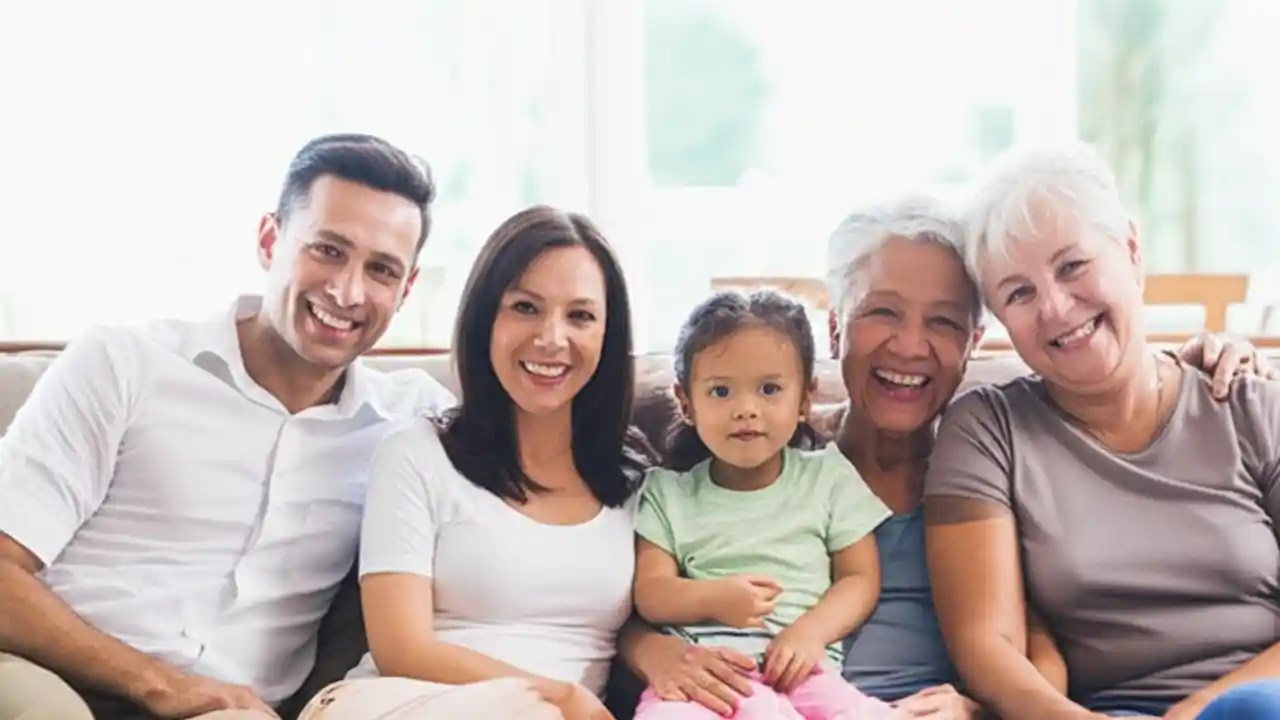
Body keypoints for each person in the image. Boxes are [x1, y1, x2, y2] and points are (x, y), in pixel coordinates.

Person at [619, 194, 1276, 720]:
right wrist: (652, 653)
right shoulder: (743, 452)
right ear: (837, 327)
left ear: (973, 342)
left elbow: (1040, 641)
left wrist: (979, 706)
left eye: (942, 322)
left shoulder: (994, 465)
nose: (910, 347)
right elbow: (626, 607)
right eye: (883, 313)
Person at [0, 133, 455, 720]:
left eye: (382, 270)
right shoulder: (123, 365)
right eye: (328, 250)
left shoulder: (410, 422)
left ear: (407, 289)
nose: (347, 291)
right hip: (49, 676)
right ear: (270, 240)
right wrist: (161, 685)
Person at [924, 142, 1280, 718]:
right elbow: (988, 648)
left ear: (1131, 250)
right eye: (1019, 293)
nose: (1057, 308)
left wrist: (1193, 713)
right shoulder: (988, 432)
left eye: (1072, 267)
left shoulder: (1251, 406)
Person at [297, 206, 654, 720]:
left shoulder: (637, 478)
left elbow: (665, 605)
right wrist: (558, 697)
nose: (552, 338)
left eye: (580, 315)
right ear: (486, 318)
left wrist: (655, 651)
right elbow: (402, 646)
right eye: (525, 307)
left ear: (608, 334)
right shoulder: (417, 454)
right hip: (396, 703)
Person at [632, 290, 896, 719]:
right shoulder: (668, 493)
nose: (746, 410)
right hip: (708, 678)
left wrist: (809, 634)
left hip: (803, 673)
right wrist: (713, 598)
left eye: (770, 389)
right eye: (721, 392)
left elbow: (860, 578)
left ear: (805, 399)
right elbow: (650, 593)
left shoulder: (827, 476)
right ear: (685, 403)